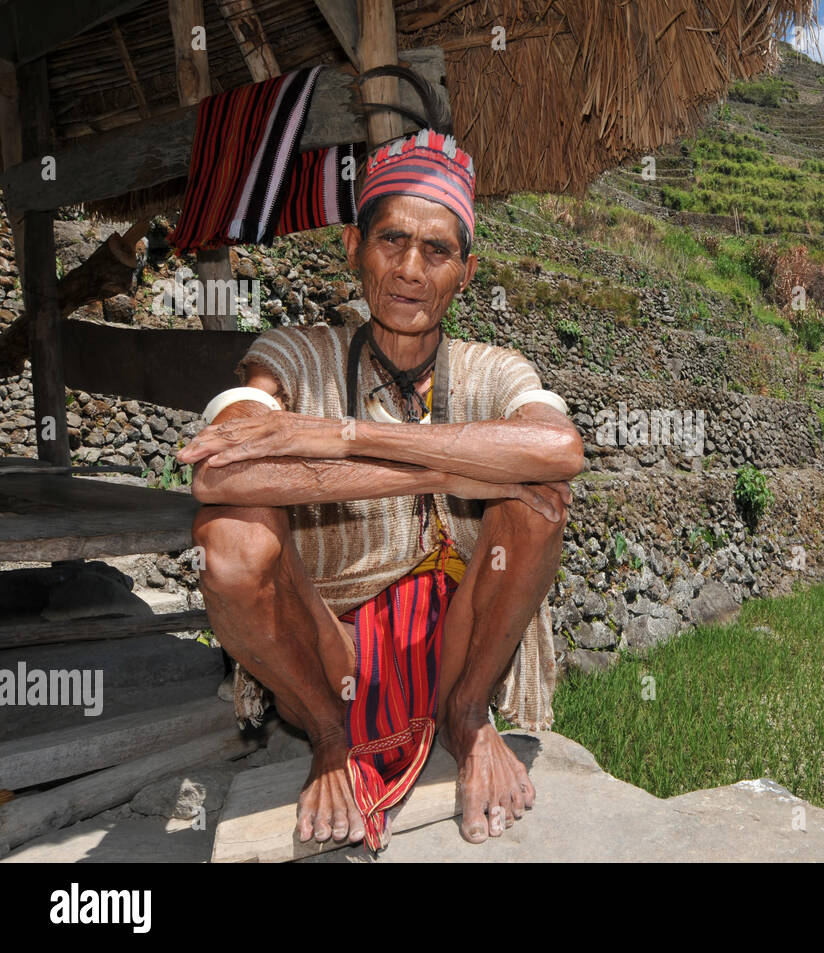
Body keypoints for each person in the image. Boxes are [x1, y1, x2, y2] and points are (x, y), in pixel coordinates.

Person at [176, 73, 584, 850]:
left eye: (437, 251)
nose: (409, 269)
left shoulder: (494, 370)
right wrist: (454, 465)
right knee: (229, 538)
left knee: (535, 502)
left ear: (465, 272)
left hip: (464, 648)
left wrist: (346, 437)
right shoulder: (295, 354)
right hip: (334, 647)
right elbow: (218, 473)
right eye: (391, 239)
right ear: (354, 246)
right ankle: (330, 738)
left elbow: (559, 451)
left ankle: (467, 721)